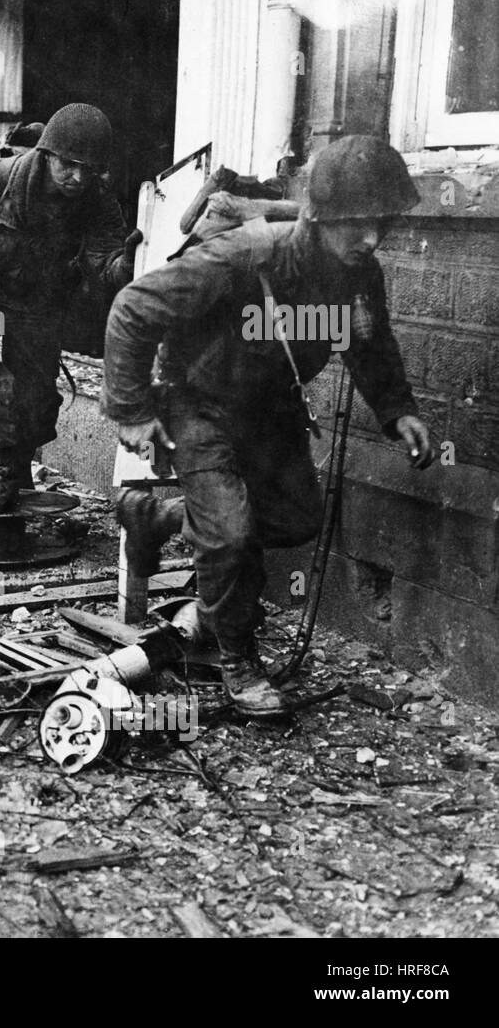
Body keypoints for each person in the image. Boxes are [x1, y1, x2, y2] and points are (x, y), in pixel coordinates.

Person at [102, 135, 434, 718]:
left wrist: (397, 410)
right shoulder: (244, 256)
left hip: (270, 410)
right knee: (230, 533)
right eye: (357, 223)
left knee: (295, 518)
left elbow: (370, 345)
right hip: (198, 405)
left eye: (381, 222)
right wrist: (132, 411)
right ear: (320, 215)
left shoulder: (359, 275)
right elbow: (133, 309)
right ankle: (236, 657)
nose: (371, 238)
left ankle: (157, 515)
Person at [0, 103, 139, 512]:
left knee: (36, 397)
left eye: (89, 169)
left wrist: (128, 263)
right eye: (69, 165)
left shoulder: (98, 202)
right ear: (47, 154)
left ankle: (14, 467)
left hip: (38, 301)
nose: (78, 177)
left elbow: (103, 265)